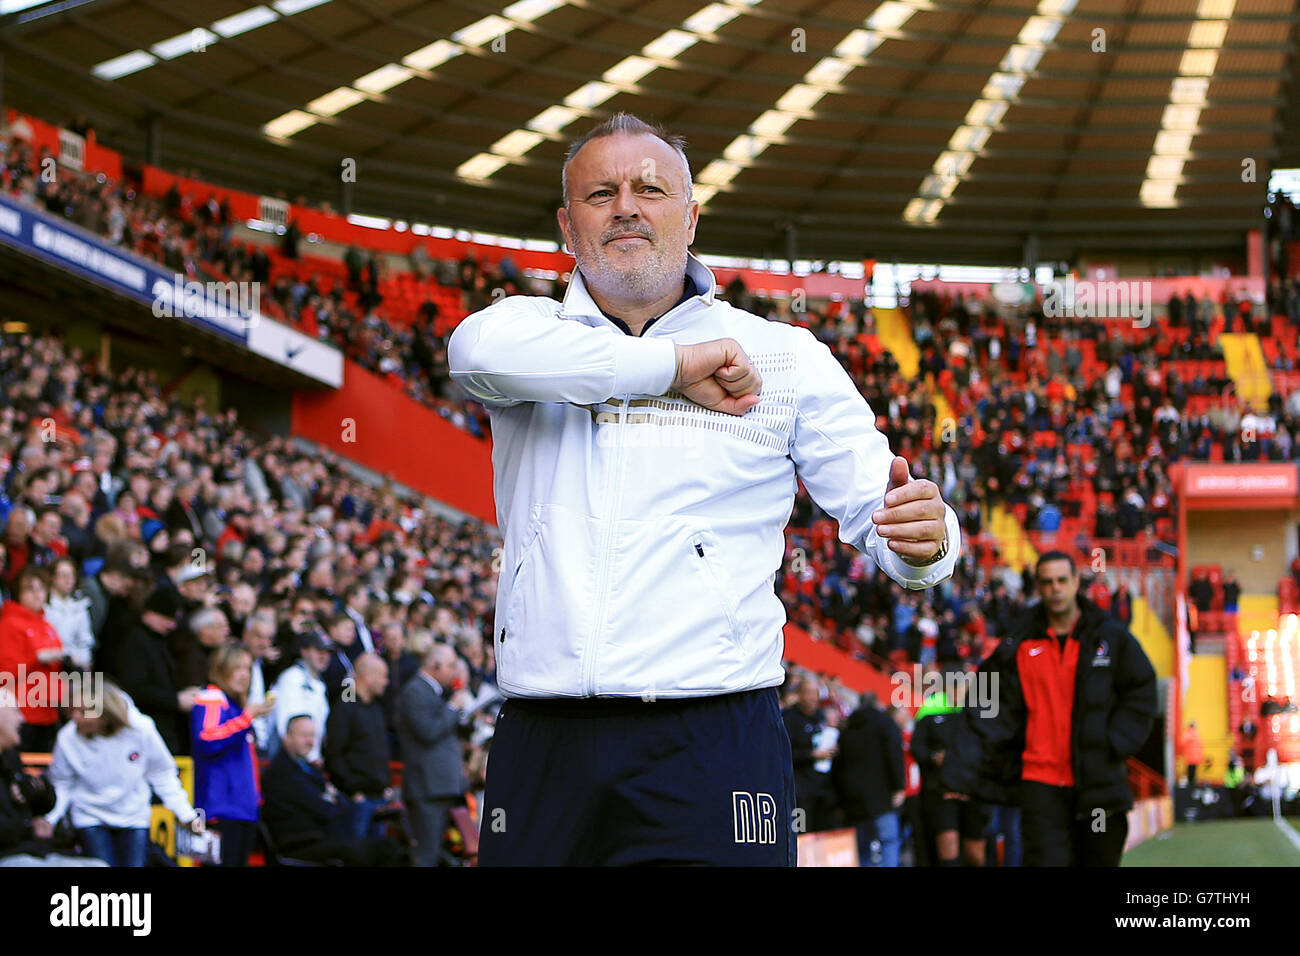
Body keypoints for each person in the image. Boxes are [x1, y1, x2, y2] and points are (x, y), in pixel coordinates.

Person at [448, 112, 960, 867]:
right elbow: (471, 351)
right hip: (542, 738)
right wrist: (676, 367)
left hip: (715, 743)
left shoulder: (785, 357)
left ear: (690, 218)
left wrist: (929, 542)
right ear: (567, 225)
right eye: (601, 193)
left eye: (651, 189)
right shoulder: (521, 335)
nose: (626, 205)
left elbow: (881, 511)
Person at [942, 551, 1158, 867]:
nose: (1055, 588)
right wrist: (959, 772)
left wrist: (1114, 742)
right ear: (1038, 588)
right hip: (1040, 786)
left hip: (1098, 790)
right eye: (1046, 582)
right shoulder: (1018, 643)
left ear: (1075, 583)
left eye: (1061, 580)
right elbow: (985, 703)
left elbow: (1141, 689)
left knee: (1098, 860)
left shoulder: (1109, 637)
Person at [44, 680, 200, 866]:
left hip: (134, 817)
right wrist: (50, 819)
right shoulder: (67, 738)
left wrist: (187, 815)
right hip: (89, 815)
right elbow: (61, 783)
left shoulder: (141, 729)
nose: (75, 717)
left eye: (84, 712)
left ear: (107, 715)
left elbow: (162, 773)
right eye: (73, 710)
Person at [261, 714, 402, 866]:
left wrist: (332, 800)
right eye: (304, 735)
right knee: (366, 851)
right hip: (300, 843)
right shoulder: (282, 772)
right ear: (287, 738)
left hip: (324, 838)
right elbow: (324, 809)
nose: (310, 741)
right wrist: (331, 800)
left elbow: (336, 802)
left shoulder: (307, 769)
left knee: (386, 846)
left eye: (313, 736)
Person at [0, 689, 106, 867]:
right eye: (15, 711)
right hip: (10, 856)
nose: (22, 719)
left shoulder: (10, 758)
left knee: (98, 866)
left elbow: (46, 803)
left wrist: (38, 788)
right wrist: (28, 827)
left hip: (32, 850)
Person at [192, 643, 273, 867]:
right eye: (237, 668)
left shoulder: (235, 705)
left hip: (243, 809)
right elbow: (207, 739)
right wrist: (248, 717)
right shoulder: (212, 697)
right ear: (221, 668)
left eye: (248, 669)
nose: (244, 675)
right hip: (221, 808)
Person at [397, 643, 471, 867]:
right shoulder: (414, 690)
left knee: (435, 851)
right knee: (426, 855)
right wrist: (452, 708)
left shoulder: (432, 691)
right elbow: (427, 732)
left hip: (438, 786)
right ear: (434, 665)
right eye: (450, 666)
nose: (454, 672)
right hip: (426, 786)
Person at [116, 586, 198, 756]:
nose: (172, 625)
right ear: (152, 613)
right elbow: (136, 688)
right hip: (148, 728)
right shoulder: (134, 641)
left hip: (165, 728)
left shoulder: (159, 640)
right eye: (168, 618)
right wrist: (175, 701)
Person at [912, 687, 989, 866]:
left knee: (976, 855)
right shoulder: (931, 710)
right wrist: (933, 757)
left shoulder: (979, 712)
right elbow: (917, 748)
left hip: (974, 793)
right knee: (948, 850)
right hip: (942, 793)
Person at [830, 692, 905, 866]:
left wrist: (840, 799)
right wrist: (898, 786)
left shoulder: (848, 729)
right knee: (889, 842)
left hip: (853, 799)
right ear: (877, 703)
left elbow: (838, 765)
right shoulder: (886, 725)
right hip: (882, 796)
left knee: (861, 848)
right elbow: (894, 756)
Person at [324, 654, 393, 838]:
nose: (386, 682)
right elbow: (334, 753)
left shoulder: (376, 708)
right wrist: (354, 790)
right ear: (368, 676)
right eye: (383, 676)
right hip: (357, 800)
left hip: (379, 798)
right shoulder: (345, 707)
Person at [0, 566, 65, 752]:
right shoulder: (9, 624)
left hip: (48, 711)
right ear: (18, 593)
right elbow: (5, 672)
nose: (37, 595)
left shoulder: (46, 624)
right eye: (30, 589)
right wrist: (35, 658)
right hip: (23, 712)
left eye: (41, 589)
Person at [783, 678, 837, 833]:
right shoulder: (789, 718)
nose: (813, 697)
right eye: (809, 693)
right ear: (799, 695)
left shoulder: (820, 717)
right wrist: (812, 755)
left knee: (820, 832)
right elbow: (785, 753)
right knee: (799, 832)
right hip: (798, 790)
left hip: (821, 789)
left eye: (816, 693)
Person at [269, 632, 331, 763]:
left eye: (327, 651)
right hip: (290, 759)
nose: (324, 656)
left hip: (306, 758)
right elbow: (286, 724)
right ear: (304, 652)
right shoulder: (291, 678)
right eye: (319, 650)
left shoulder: (318, 683)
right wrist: (310, 757)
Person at [44, 557, 95, 671]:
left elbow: (85, 641)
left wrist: (83, 662)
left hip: (76, 666)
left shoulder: (80, 605)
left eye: (71, 575)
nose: (68, 580)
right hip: (50, 663)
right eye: (63, 575)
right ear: (52, 577)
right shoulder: (44, 605)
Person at [1181, 721, 1204, 788]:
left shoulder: (1188, 733)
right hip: (1194, 757)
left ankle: (1191, 785)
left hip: (1191, 757)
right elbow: (1199, 746)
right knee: (1192, 772)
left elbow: (1183, 743)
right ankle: (1192, 784)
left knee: (1191, 772)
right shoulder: (1194, 734)